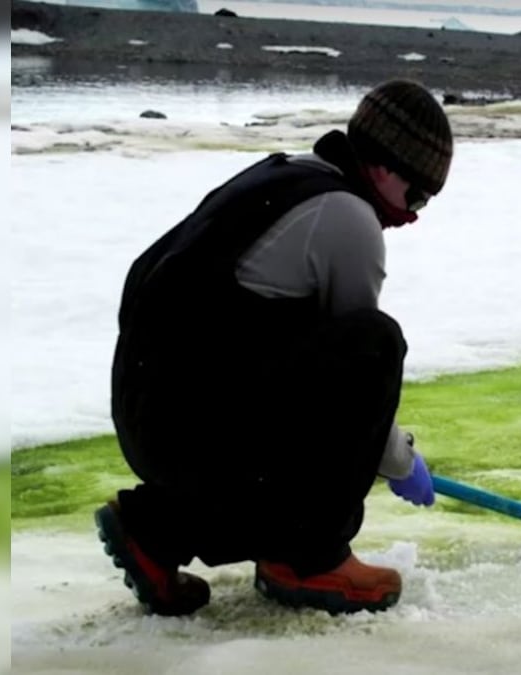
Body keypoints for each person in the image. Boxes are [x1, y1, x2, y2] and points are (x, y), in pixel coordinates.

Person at [94, 80, 454, 617]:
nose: (413, 214)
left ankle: (155, 531)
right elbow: (355, 382)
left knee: (291, 396)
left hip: (153, 413)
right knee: (378, 345)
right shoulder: (348, 218)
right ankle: (311, 557)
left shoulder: (289, 176)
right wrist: (399, 458)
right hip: (187, 422)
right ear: (385, 167)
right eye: (417, 195)